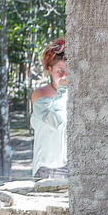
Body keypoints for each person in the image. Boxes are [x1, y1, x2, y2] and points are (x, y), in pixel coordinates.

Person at [31, 38, 68, 180]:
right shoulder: (39, 95)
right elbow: (55, 122)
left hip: (68, 164)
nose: (64, 75)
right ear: (50, 69)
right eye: (60, 70)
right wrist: (63, 89)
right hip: (45, 167)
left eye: (67, 70)